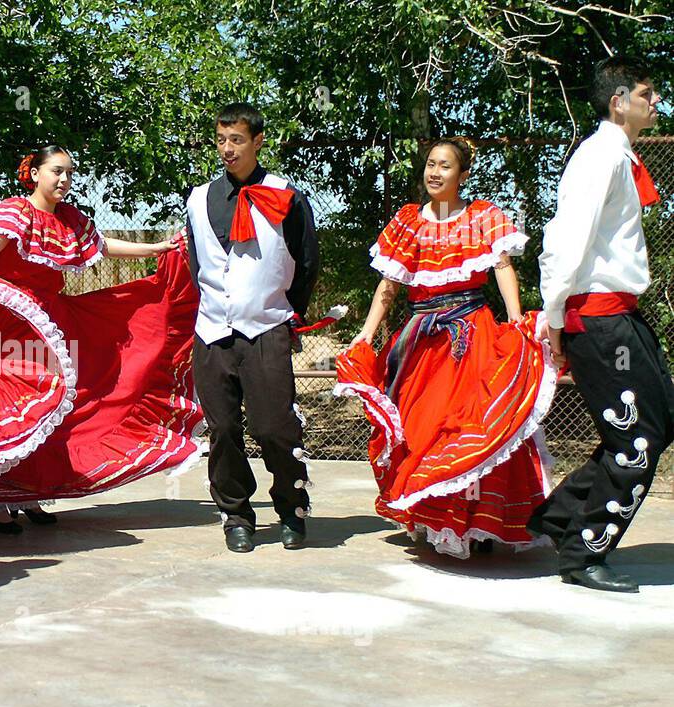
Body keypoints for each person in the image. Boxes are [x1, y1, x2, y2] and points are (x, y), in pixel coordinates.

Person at [0, 146, 207, 533]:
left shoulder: (70, 220)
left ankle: (29, 493)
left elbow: (102, 246)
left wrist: (155, 248)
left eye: (69, 173)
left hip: (56, 323)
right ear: (35, 174)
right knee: (11, 410)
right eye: (57, 171)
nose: (64, 180)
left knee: (61, 408)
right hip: (13, 323)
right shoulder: (17, 211)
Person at [336, 137, 556, 558]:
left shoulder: (482, 217)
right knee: (421, 431)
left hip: (472, 336)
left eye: (446, 166)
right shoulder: (407, 222)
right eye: (431, 164)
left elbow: (502, 267)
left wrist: (515, 321)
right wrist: (366, 333)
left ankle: (474, 524)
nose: (435, 173)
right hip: (421, 342)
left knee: (473, 425)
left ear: (463, 175)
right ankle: (429, 516)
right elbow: (389, 287)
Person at [528, 55, 668, 593]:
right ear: (619, 101)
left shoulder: (618, 157)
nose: (654, 103)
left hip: (622, 316)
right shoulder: (598, 158)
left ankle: (561, 517)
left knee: (661, 419)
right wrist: (555, 317)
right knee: (635, 439)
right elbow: (565, 242)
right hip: (599, 320)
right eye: (647, 93)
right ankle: (583, 552)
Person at [184, 103, 319, 554]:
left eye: (236, 140)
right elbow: (196, 264)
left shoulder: (286, 194)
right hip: (212, 332)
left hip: (266, 327)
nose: (227, 149)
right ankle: (236, 516)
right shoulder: (199, 198)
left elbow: (306, 260)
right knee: (222, 429)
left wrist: (285, 313)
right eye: (221, 140)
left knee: (274, 426)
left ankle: (291, 509)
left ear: (258, 142)